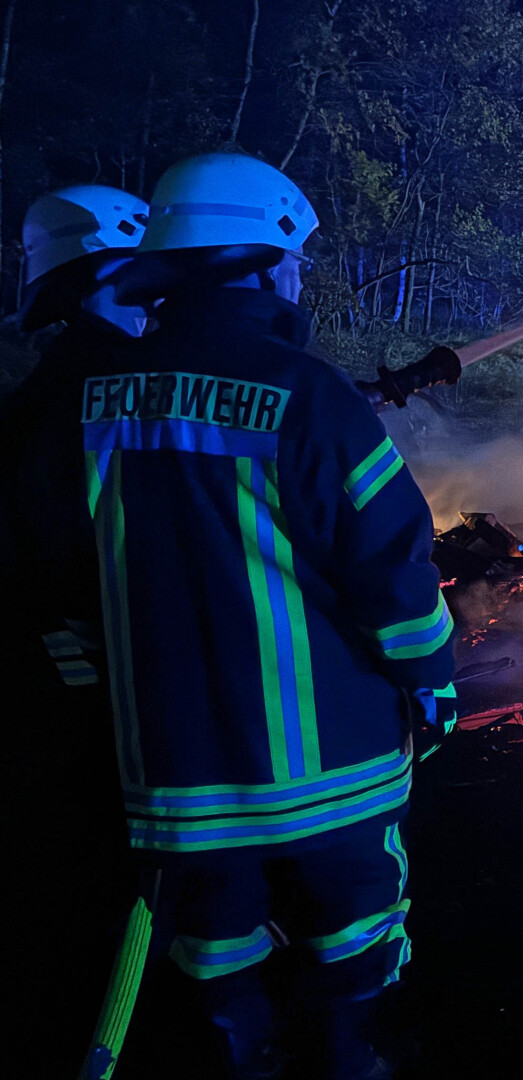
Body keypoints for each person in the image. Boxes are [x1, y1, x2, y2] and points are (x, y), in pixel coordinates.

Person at [11, 152, 457, 1079]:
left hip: (176, 774)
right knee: (355, 925)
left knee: (215, 941)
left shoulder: (87, 406)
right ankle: (348, 1058)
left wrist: (116, 707)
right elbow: (395, 574)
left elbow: (60, 577)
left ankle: (240, 1056)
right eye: (292, 260)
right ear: (257, 263)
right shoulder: (308, 394)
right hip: (332, 769)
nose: (297, 279)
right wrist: (433, 686)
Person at [1, 185, 150, 1076]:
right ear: (111, 272)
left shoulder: (49, 391)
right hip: (91, 718)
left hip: (54, 705)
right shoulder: (110, 395)